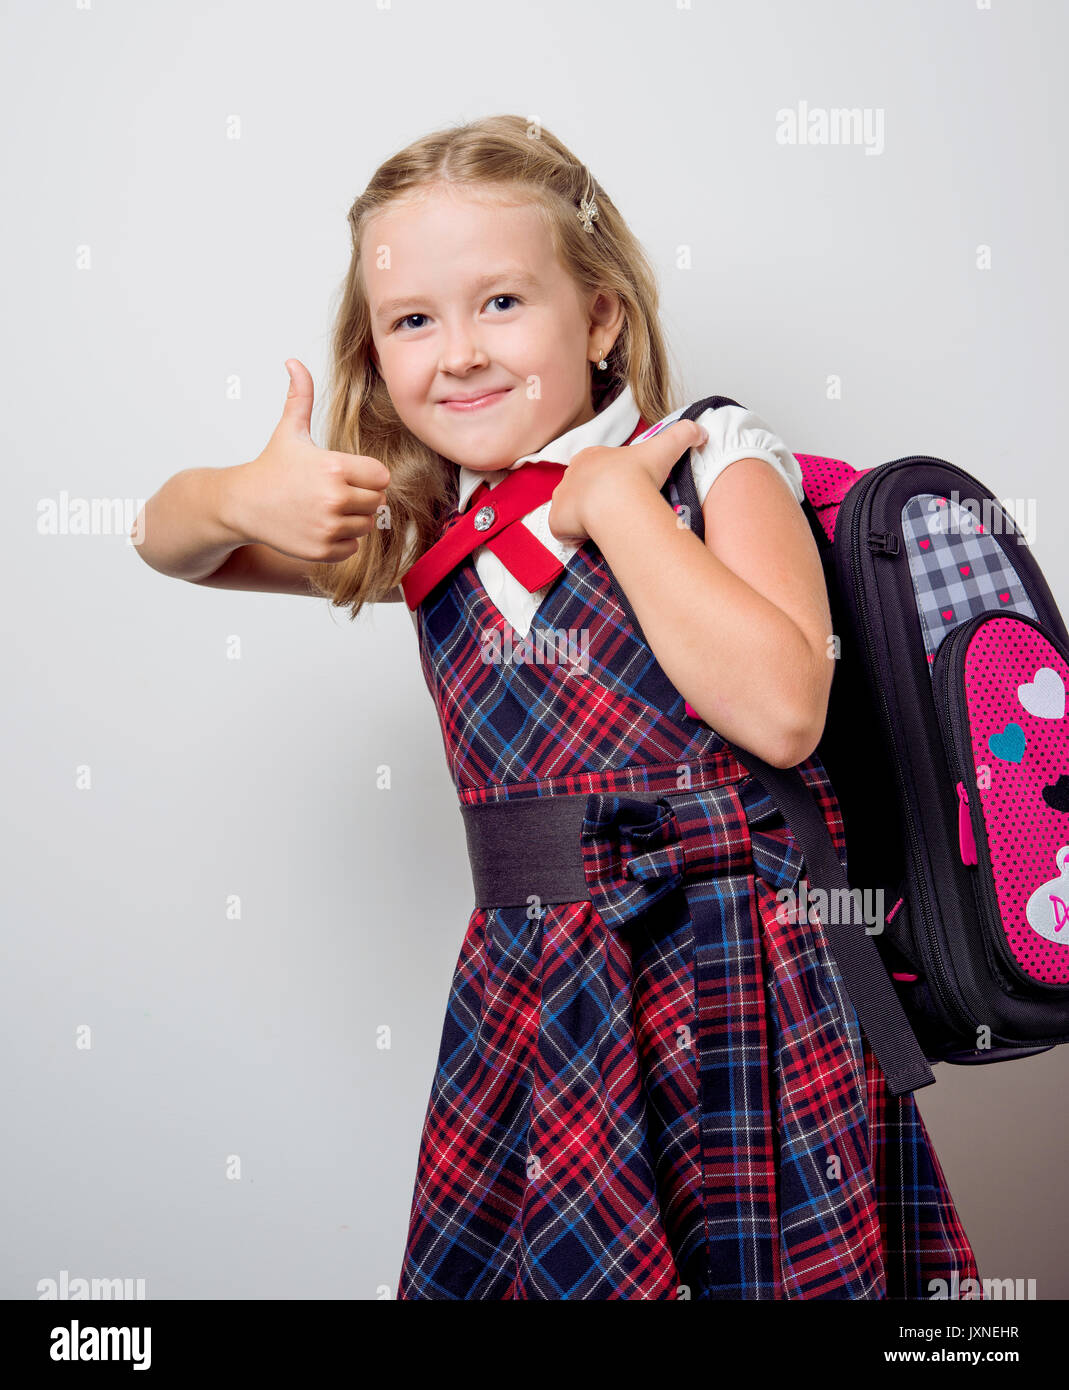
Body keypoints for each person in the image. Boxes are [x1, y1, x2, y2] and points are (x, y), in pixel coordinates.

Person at [132, 114, 979, 1300]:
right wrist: (235, 492)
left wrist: (619, 508)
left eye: (501, 303)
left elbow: (783, 708)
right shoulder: (429, 526)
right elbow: (169, 545)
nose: (460, 353)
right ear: (374, 355)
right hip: (538, 999)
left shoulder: (714, 461)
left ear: (599, 316)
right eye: (413, 321)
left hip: (741, 982)